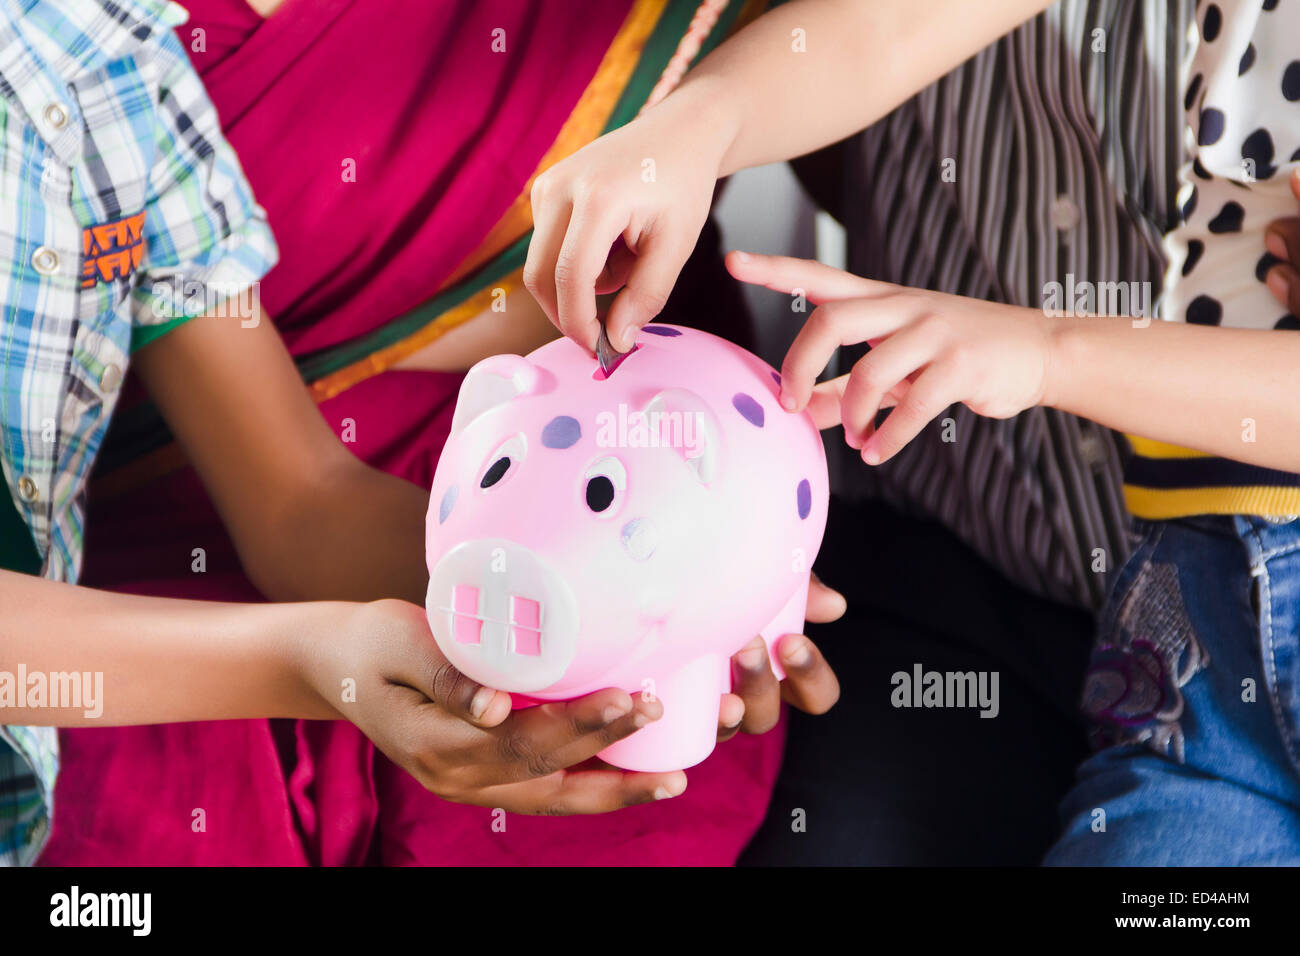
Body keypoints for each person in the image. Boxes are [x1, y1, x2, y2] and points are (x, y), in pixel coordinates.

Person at [39, 0, 845, 866]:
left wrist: (625, 620)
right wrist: (313, 664)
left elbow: (303, 503)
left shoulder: (126, 88)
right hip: (121, 574)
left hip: (425, 529)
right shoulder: (92, 59)